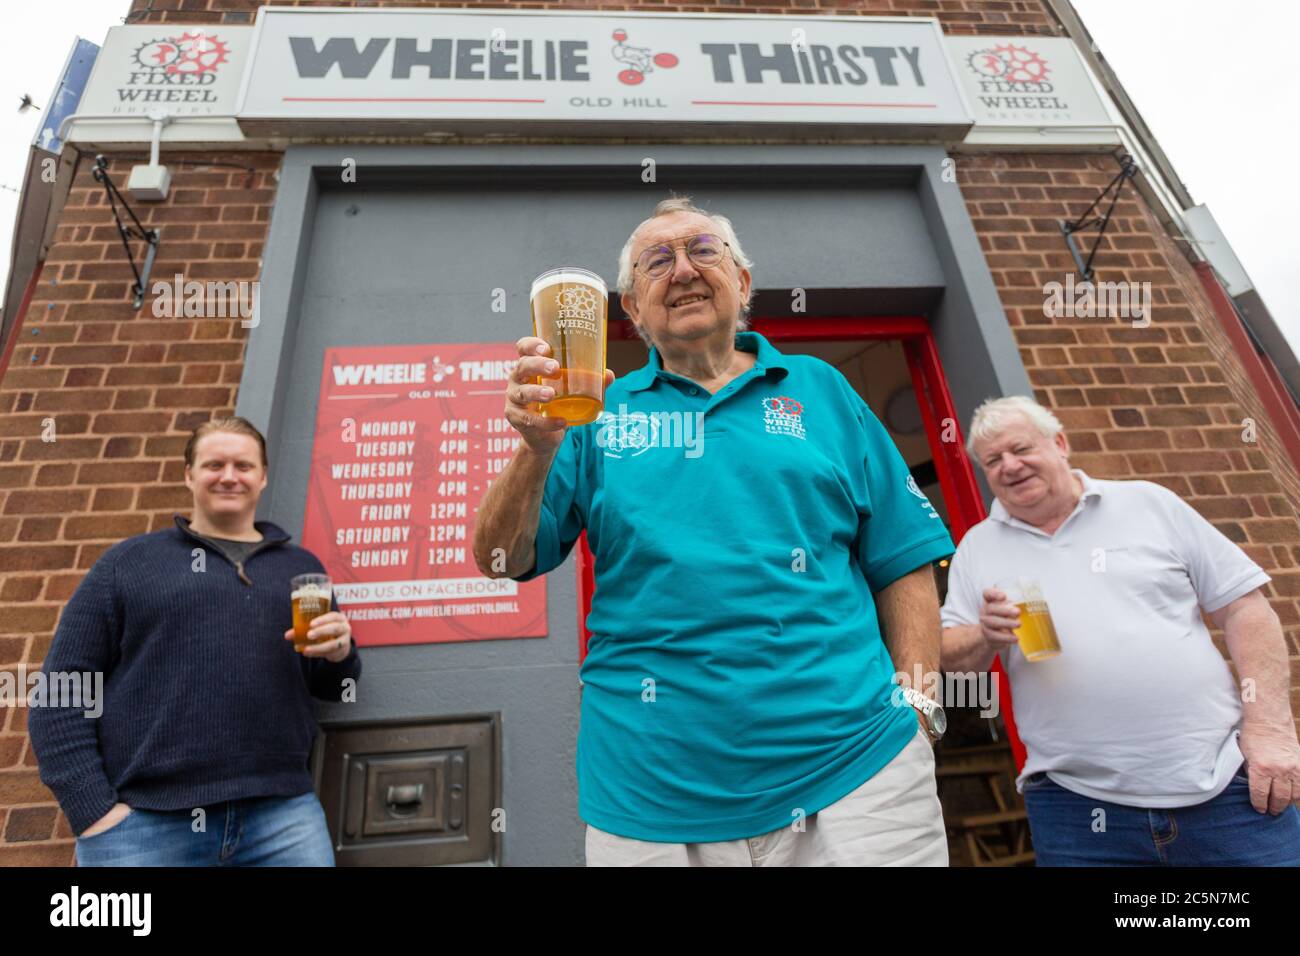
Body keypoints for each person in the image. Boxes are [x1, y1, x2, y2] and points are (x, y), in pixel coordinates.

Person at [474, 196, 955, 866]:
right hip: (650, 801)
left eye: (703, 250)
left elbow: (903, 556)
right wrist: (534, 449)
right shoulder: (594, 415)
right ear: (634, 311)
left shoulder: (821, 389)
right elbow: (501, 559)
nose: (682, 270)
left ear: (744, 282)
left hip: (860, 779)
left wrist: (916, 709)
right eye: (655, 262)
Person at [940, 395, 1300, 866]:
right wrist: (984, 633)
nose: (1010, 466)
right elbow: (948, 655)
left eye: (1021, 449)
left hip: (1223, 787)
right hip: (1076, 810)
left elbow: (1246, 609)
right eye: (993, 461)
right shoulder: (977, 546)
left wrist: (1270, 729)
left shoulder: (1148, 504)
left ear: (1060, 444)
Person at [29, 417, 361, 866]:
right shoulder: (128, 563)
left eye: (243, 465)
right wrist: (93, 810)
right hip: (145, 826)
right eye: (214, 464)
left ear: (263, 477)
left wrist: (341, 655)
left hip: (283, 816)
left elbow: (328, 683)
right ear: (189, 475)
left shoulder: (300, 568)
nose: (229, 476)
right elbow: (61, 691)